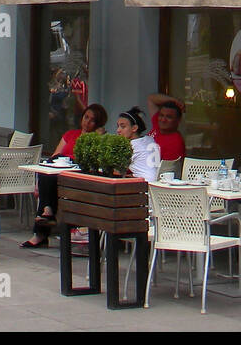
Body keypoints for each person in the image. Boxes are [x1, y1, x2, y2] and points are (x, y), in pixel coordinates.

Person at [21, 103, 108, 249]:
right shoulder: (71, 134)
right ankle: (46, 214)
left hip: (77, 175)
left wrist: (98, 136)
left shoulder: (96, 139)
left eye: (92, 120)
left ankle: (41, 231)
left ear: (98, 124)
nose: (87, 122)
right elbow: (55, 155)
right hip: (59, 170)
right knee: (48, 169)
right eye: (86, 117)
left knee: (51, 183)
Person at [115, 107, 160, 183]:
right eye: (118, 126)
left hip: (143, 187)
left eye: (123, 126)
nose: (118, 130)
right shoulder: (149, 139)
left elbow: (117, 172)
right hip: (156, 185)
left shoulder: (130, 146)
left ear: (134, 128)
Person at [146, 92, 186, 162]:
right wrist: (174, 100)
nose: (163, 120)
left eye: (169, 117)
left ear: (178, 120)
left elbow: (165, 171)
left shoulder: (175, 143)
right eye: (161, 115)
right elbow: (151, 99)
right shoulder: (157, 125)